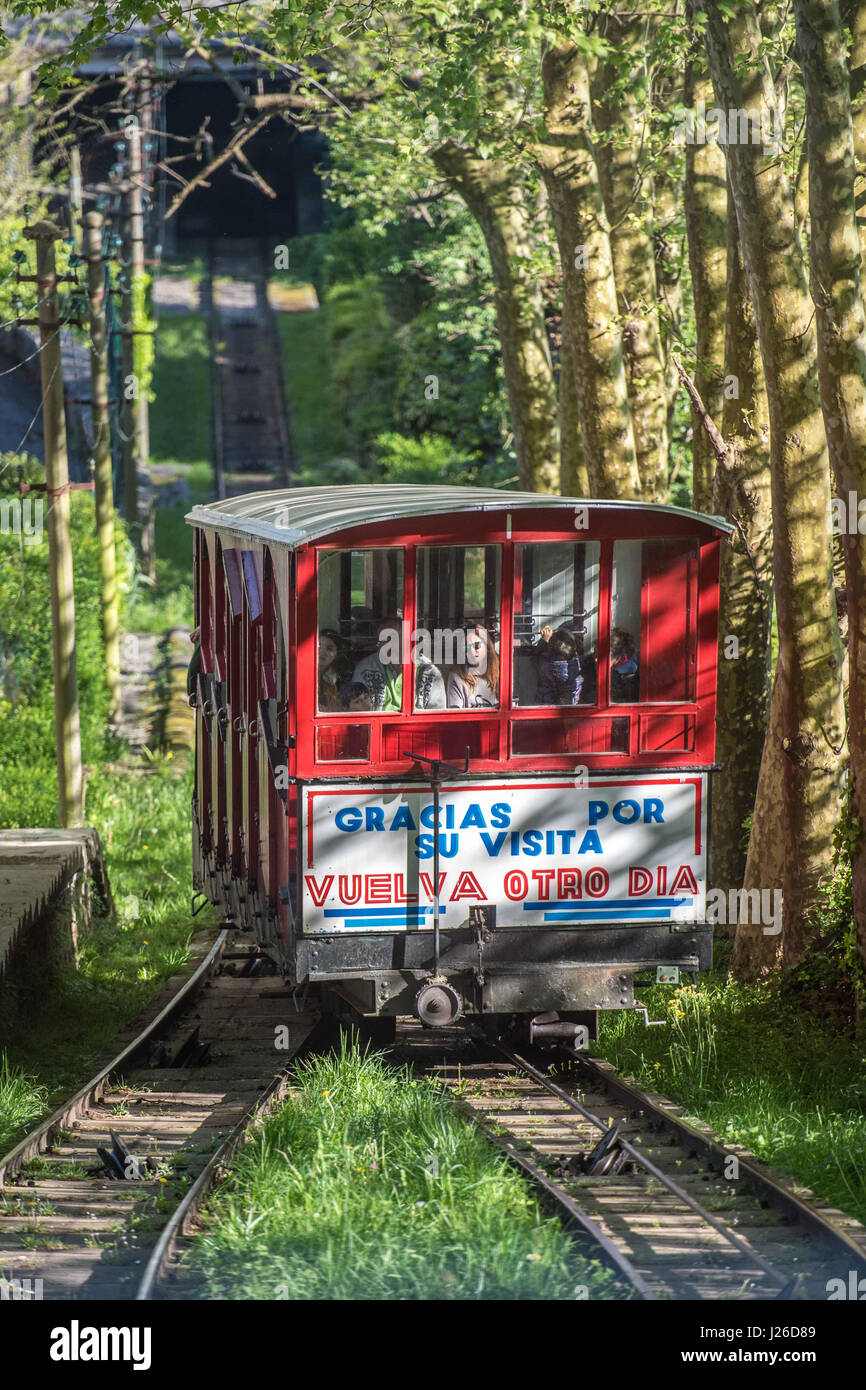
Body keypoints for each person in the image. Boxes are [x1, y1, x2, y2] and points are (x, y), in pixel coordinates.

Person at [352, 616, 404, 711]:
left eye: (392, 638)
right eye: (383, 639)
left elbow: (435, 709)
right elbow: (359, 708)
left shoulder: (424, 668)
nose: (387, 643)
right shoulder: (365, 668)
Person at [447, 625, 499, 708]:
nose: (471, 651)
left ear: (487, 646)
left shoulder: (501, 670)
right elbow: (455, 715)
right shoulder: (457, 676)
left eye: (476, 645)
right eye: (466, 648)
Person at [536, 626, 583, 705]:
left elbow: (538, 657)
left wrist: (545, 640)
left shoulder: (548, 665)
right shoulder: (575, 663)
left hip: (548, 706)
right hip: (573, 705)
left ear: (551, 649)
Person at [318, 629, 348, 710]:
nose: (322, 652)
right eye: (319, 646)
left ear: (337, 653)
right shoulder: (305, 674)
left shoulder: (339, 679)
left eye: (329, 648)